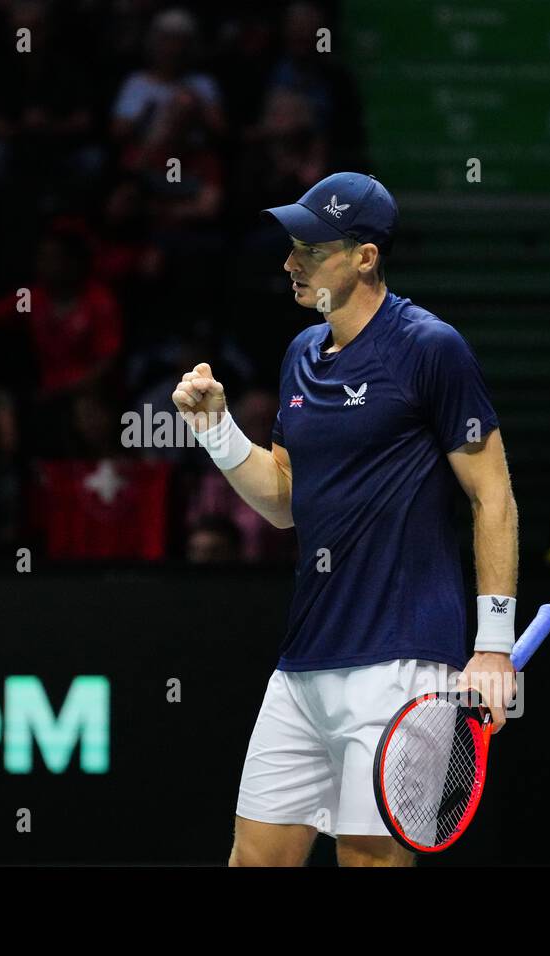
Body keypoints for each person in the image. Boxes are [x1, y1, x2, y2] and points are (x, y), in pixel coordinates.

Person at [171, 172, 519, 866]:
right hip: (304, 662)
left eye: (311, 248)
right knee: (253, 860)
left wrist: (494, 647)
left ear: (365, 256)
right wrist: (217, 429)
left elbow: (494, 497)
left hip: (403, 661)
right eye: (291, 247)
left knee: (369, 860)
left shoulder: (430, 348)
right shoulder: (302, 355)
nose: (290, 263)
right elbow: (281, 503)